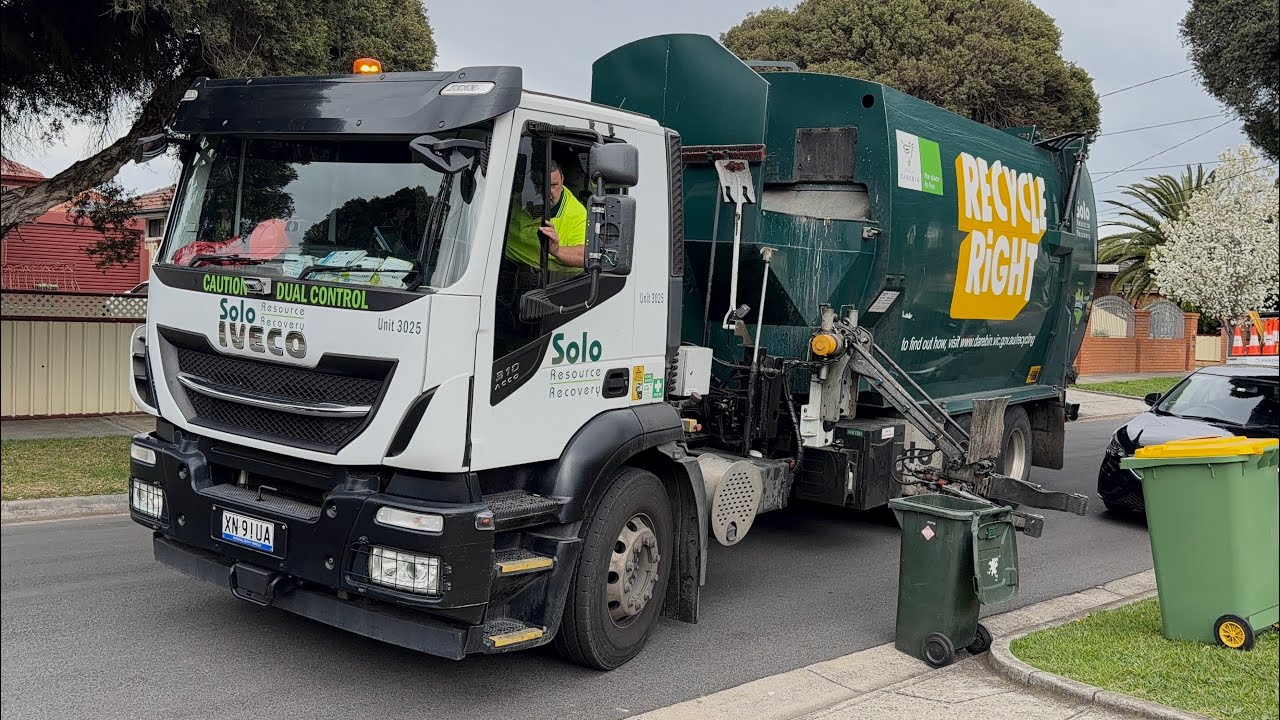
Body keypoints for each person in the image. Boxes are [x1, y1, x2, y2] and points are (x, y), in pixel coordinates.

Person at [504, 158, 587, 275]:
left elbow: (585, 256)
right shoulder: (513, 195)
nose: (547, 192)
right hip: (503, 263)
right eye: (538, 185)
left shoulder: (577, 214)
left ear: (562, 180)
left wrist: (557, 251)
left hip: (554, 281)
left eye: (553, 185)